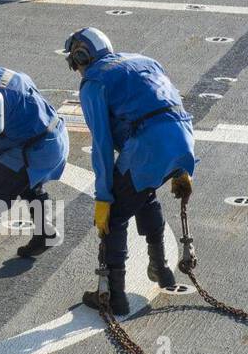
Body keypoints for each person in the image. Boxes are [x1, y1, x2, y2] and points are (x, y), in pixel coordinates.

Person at [65, 27, 195, 315]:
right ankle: (161, 269)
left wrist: (103, 198)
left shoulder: (94, 82)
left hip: (148, 145)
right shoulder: (144, 61)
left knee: (116, 214)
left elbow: (101, 144)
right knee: (142, 193)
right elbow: (171, 103)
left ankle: (114, 294)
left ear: (80, 58)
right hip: (182, 138)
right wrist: (182, 170)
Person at [0, 49, 69, 267]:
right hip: (53, 136)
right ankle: (44, 232)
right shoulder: (1, 74)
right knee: (25, 182)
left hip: (36, 149)